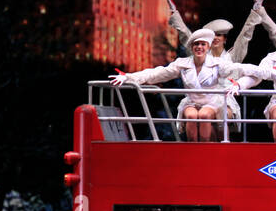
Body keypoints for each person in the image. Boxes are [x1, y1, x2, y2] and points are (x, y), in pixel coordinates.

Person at [110, 28, 260, 141]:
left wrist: (267, 72)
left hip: (213, 102)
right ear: (192, 47)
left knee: (205, 115)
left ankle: (208, 150)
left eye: (202, 44)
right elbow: (157, 73)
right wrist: (129, 77)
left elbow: (243, 68)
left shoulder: (218, 63)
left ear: (208, 47)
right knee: (190, 115)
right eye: (196, 44)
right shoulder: (182, 64)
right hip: (192, 102)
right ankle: (193, 149)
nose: (199, 47)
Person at [165, 0, 266, 63]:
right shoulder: (200, 55)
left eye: (219, 35)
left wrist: (255, 11)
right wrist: (174, 13)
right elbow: (186, 35)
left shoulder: (232, 57)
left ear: (225, 39)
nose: (215, 38)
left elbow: (244, 36)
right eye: (212, 35)